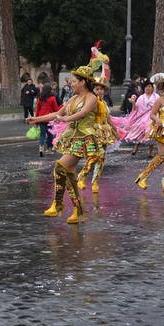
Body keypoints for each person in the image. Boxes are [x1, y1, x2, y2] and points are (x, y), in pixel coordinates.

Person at [28, 65, 99, 223]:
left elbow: (83, 113)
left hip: (84, 138)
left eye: (74, 81)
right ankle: (78, 210)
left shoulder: (91, 98)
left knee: (60, 166)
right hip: (72, 137)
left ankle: (58, 204)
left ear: (83, 83)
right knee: (69, 174)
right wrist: (37, 119)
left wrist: (66, 119)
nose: (71, 84)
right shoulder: (73, 98)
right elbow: (57, 114)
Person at [76, 75, 121, 194]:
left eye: (101, 89)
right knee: (93, 156)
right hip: (93, 131)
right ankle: (82, 176)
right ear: (92, 90)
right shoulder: (90, 101)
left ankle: (95, 181)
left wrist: (115, 130)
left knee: (102, 158)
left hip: (104, 131)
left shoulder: (104, 103)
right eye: (97, 89)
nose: (99, 91)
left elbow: (108, 118)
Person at [124, 79, 158, 156]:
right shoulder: (141, 97)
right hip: (142, 116)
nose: (148, 88)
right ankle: (136, 147)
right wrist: (133, 102)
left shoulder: (156, 97)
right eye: (146, 87)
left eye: (150, 86)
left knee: (150, 131)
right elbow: (136, 108)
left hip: (153, 116)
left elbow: (160, 106)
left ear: (152, 88)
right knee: (139, 129)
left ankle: (151, 151)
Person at [33, 83, 59, 157]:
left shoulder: (40, 98)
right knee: (50, 135)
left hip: (41, 118)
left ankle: (41, 148)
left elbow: (37, 110)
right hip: (50, 119)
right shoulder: (52, 98)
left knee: (42, 135)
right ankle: (49, 149)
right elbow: (56, 109)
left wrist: (36, 120)